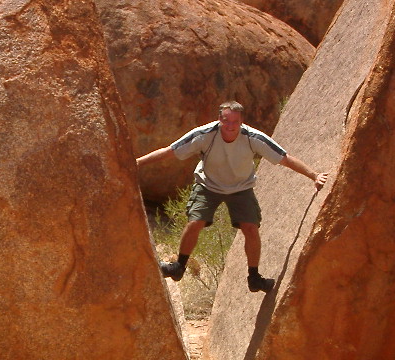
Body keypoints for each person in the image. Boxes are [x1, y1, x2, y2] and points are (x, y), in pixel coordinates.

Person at [136, 102, 327, 293]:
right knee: (195, 221)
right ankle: (179, 267)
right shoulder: (205, 134)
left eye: (235, 121)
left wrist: (314, 175)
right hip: (208, 185)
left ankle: (254, 277)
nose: (230, 125)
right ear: (219, 119)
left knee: (251, 228)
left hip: (241, 188)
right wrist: (137, 163)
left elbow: (284, 158)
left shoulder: (252, 137)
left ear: (241, 121)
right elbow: (170, 151)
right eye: (225, 120)